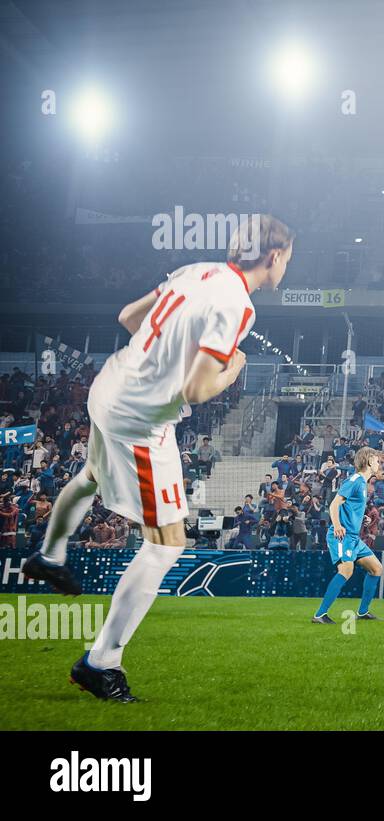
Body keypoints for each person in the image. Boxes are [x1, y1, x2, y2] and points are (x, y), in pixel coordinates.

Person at [22, 214, 294, 702]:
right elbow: (196, 387)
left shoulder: (196, 270)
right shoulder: (238, 303)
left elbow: (129, 317)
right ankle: (100, 662)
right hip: (141, 421)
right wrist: (233, 370)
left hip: (109, 386)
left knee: (89, 476)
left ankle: (50, 554)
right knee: (167, 543)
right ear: (274, 256)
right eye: (288, 258)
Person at [312, 447, 384, 623]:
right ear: (368, 461)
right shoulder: (354, 480)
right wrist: (337, 526)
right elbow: (334, 504)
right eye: (376, 460)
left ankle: (362, 612)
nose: (378, 463)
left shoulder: (362, 483)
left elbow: (351, 508)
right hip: (342, 536)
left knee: (376, 569)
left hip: (353, 537)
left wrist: (364, 518)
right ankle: (319, 615)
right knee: (346, 570)